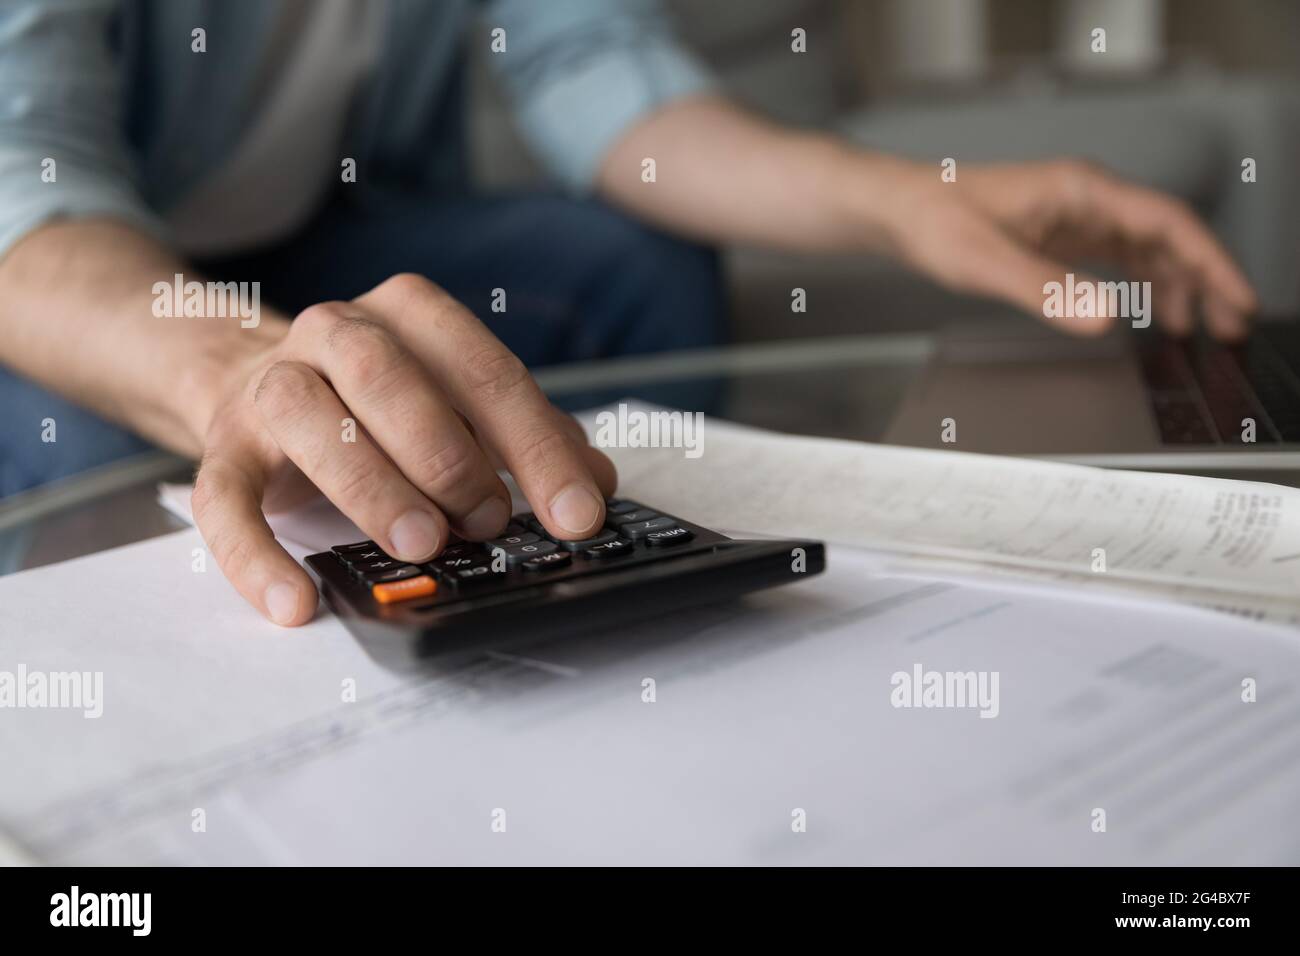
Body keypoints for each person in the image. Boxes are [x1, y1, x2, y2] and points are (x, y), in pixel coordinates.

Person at [0, 0, 1256, 626]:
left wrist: (906, 203)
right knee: (107, 434)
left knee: (632, 257)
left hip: (327, 225)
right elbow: (26, 171)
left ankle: (615, 588)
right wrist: (246, 364)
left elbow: (592, 68)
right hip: (73, 251)